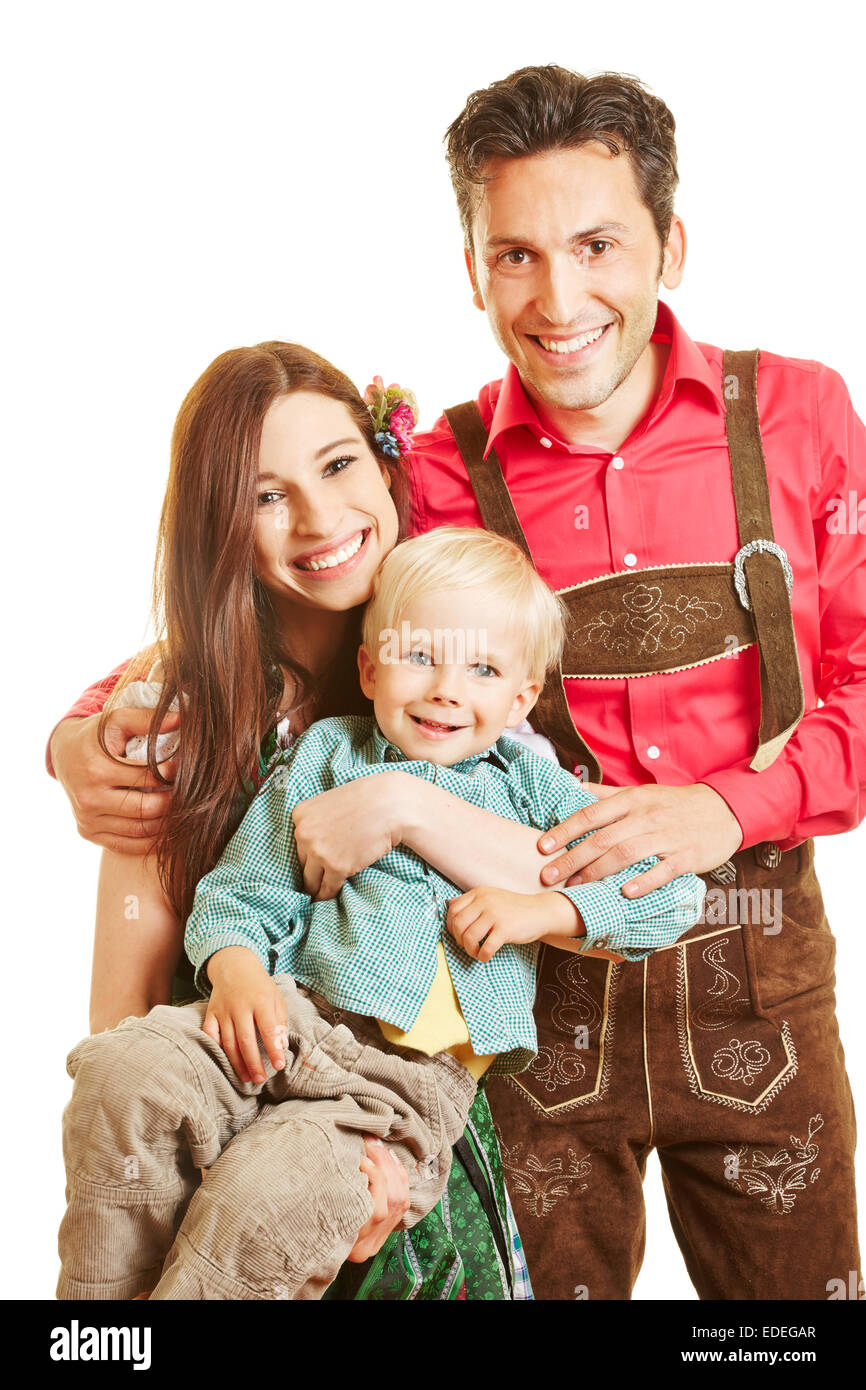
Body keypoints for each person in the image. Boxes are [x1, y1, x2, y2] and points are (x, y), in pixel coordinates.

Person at [57, 525, 708, 1299]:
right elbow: (241, 893)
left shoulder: (532, 792)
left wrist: (544, 910)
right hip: (286, 1023)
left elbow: (671, 892)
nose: (446, 688)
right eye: (420, 655)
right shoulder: (328, 756)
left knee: (261, 1200)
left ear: (521, 696)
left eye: (484, 668)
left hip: (398, 1091)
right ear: (369, 668)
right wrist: (233, 971)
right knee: (122, 1066)